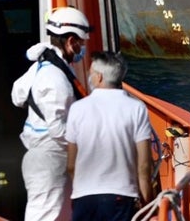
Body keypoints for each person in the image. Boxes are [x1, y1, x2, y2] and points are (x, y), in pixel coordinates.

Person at [11, 7, 91, 221]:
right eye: (80, 43)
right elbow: (58, 130)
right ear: (71, 40)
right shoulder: (56, 78)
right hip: (50, 158)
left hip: (42, 157)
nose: (81, 48)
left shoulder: (41, 66)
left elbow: (17, 95)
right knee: (46, 216)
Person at [65, 52, 152, 221]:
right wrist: (147, 202)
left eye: (91, 73)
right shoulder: (136, 108)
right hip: (121, 196)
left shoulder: (77, 109)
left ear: (99, 78)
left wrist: (81, 187)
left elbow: (71, 165)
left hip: (84, 198)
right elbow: (144, 166)